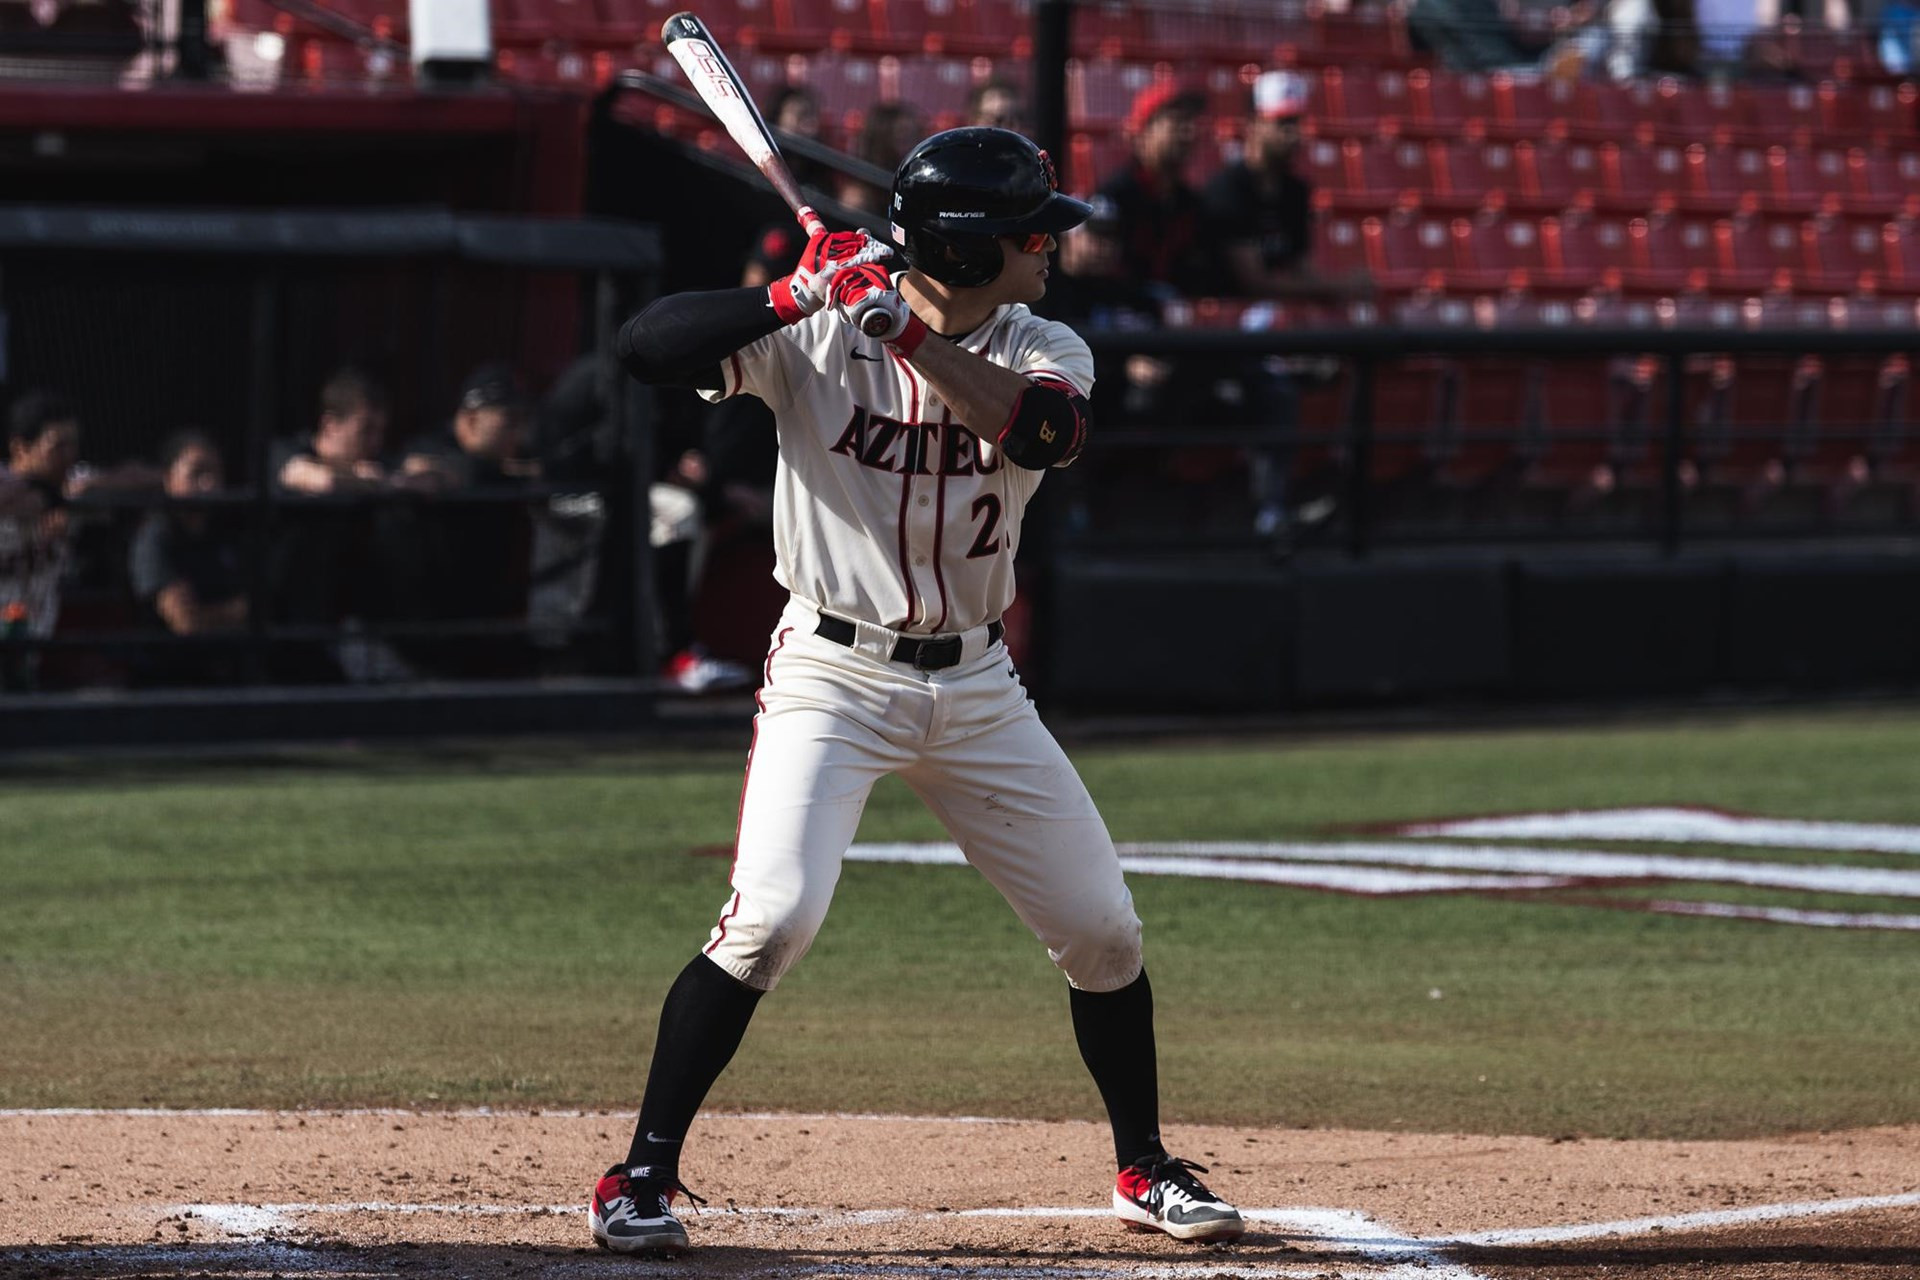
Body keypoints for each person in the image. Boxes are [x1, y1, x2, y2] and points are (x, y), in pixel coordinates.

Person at [588, 126, 1243, 1256]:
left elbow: (1043, 427)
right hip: (833, 675)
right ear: (975, 247)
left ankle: (1144, 1162)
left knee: (1101, 929)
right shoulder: (820, 328)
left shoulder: (1046, 340)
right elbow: (645, 348)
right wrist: (795, 294)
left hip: (980, 682)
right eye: (1035, 233)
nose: (1054, 247)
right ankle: (638, 1172)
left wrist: (906, 330)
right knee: (772, 921)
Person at [127, 430, 248, 686]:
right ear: (169, 478)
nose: (208, 484)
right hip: (167, 683)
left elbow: (254, 612)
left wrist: (214, 614)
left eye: (215, 474)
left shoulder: (228, 533)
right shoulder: (155, 535)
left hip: (227, 680)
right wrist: (230, 613)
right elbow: (186, 623)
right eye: (197, 473)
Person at [1098, 82, 1234, 298]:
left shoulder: (1192, 204)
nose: (1187, 132)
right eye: (1177, 122)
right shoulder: (1115, 197)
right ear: (1143, 132)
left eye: (1190, 123)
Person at [0, 391, 82, 689]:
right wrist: (34, 501)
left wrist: (70, 497)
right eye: (58, 446)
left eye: (73, 444)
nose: (69, 456)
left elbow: (144, 476)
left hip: (29, 654)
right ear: (20, 448)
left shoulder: (70, 485)